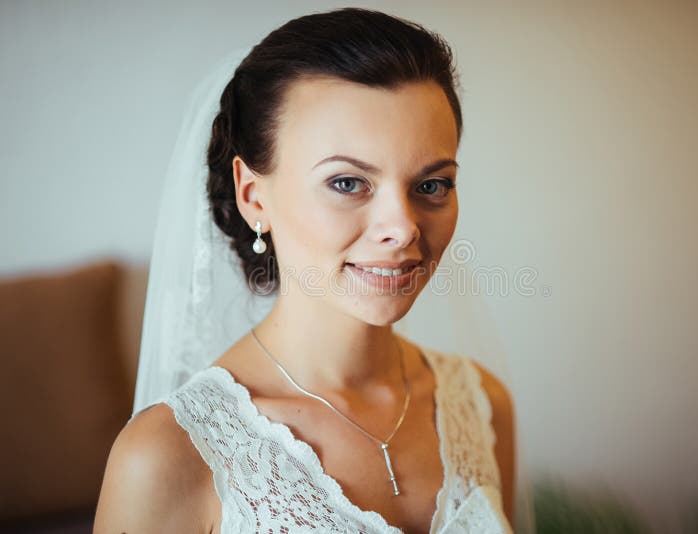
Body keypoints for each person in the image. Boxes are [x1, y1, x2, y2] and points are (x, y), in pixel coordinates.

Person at [94, 7, 528, 533]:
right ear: (254, 196)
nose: (404, 228)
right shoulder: (169, 455)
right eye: (347, 182)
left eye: (432, 185)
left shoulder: (482, 407)